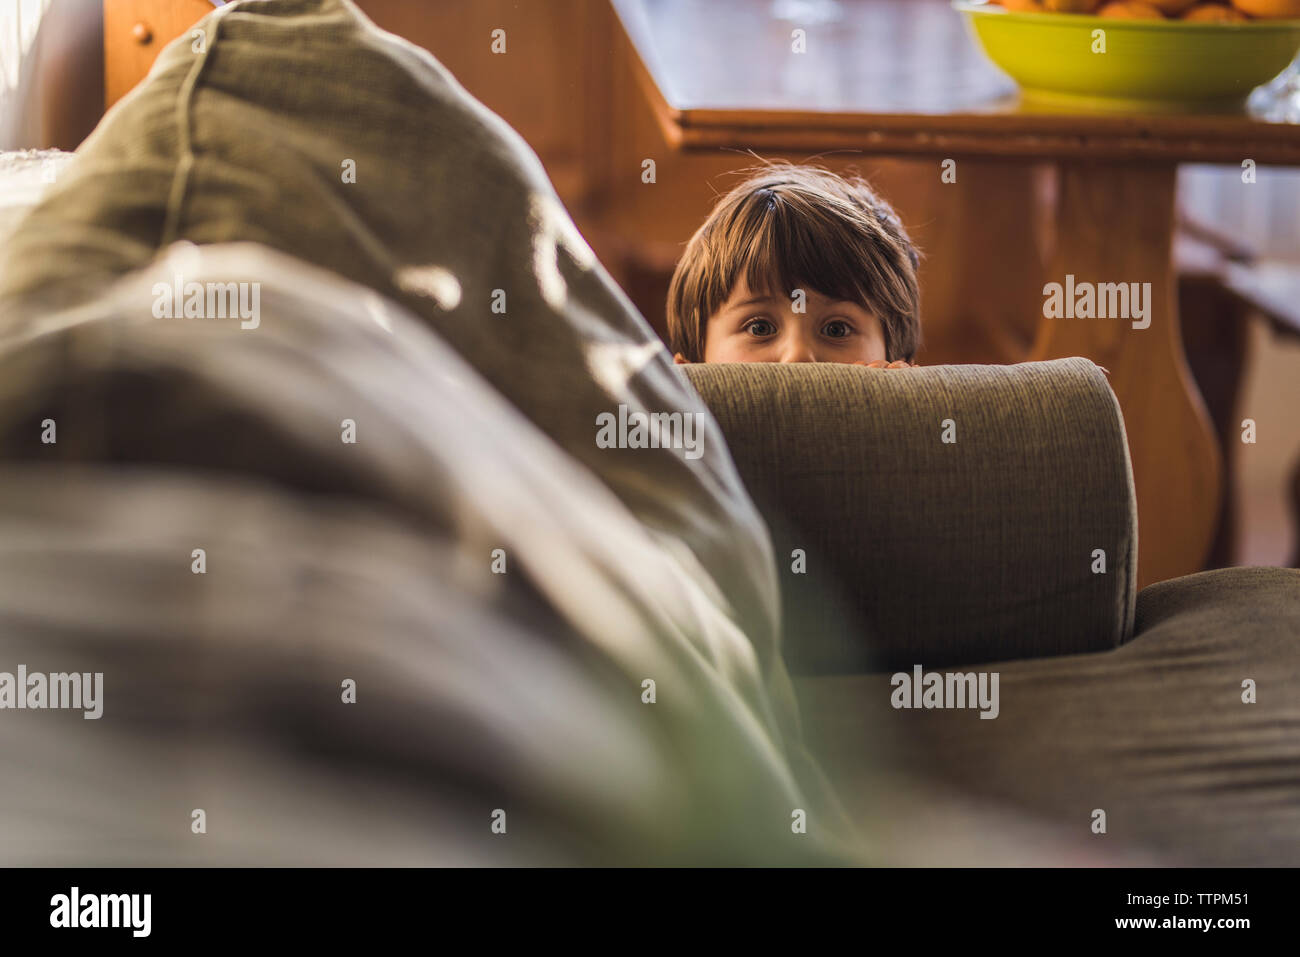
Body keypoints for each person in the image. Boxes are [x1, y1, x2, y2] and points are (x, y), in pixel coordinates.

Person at [667, 162, 921, 368]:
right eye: (760, 328)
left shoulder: (906, 422)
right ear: (690, 370)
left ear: (895, 358)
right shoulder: (675, 428)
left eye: (837, 329)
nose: (798, 357)